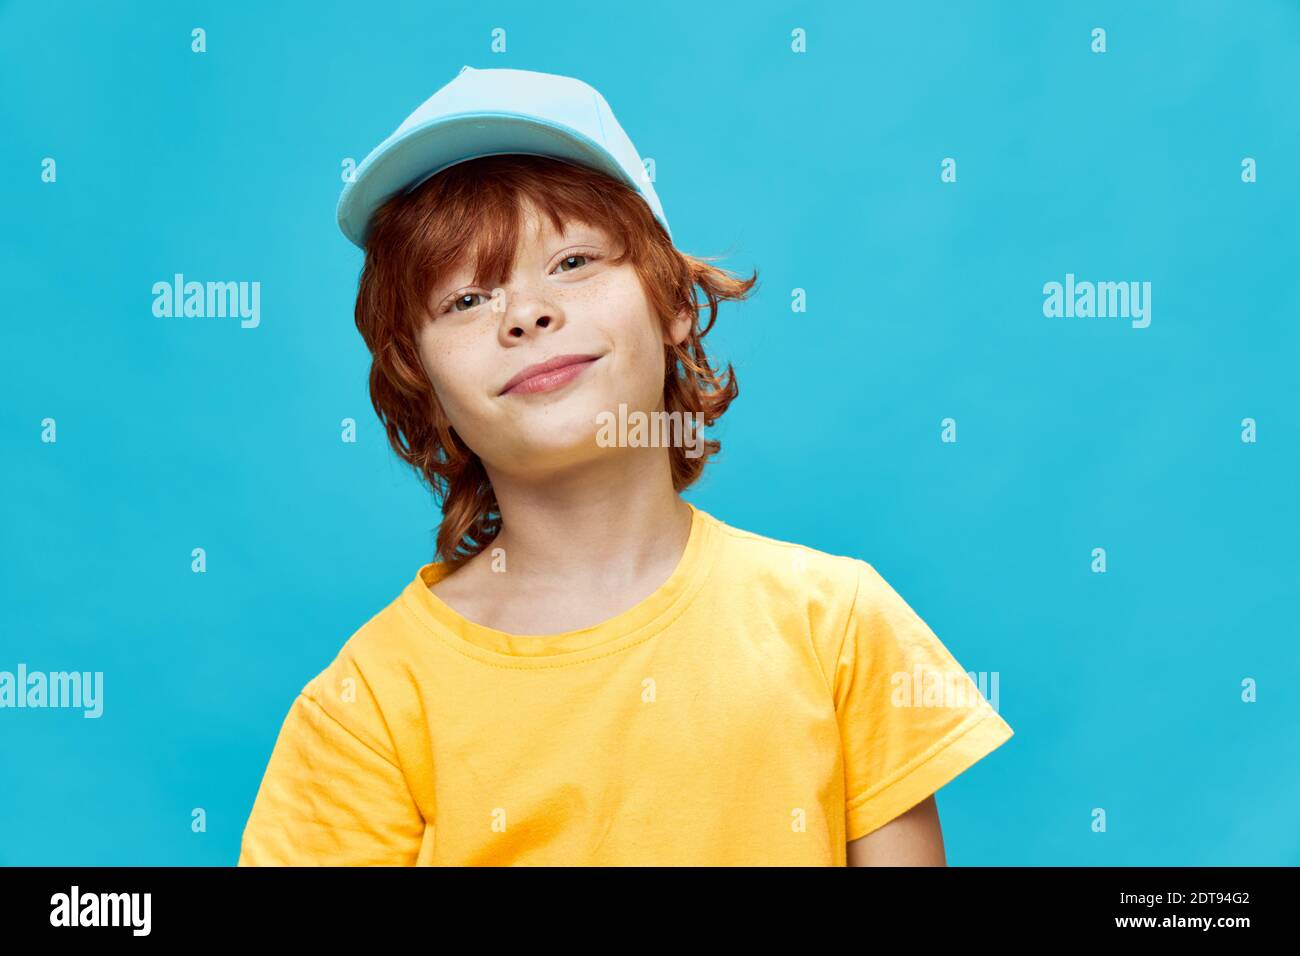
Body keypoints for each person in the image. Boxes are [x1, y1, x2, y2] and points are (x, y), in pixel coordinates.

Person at [237, 66, 1013, 867]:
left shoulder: (840, 625)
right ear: (421, 383)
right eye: (465, 301)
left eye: (572, 262)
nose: (527, 314)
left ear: (675, 303)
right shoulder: (365, 709)